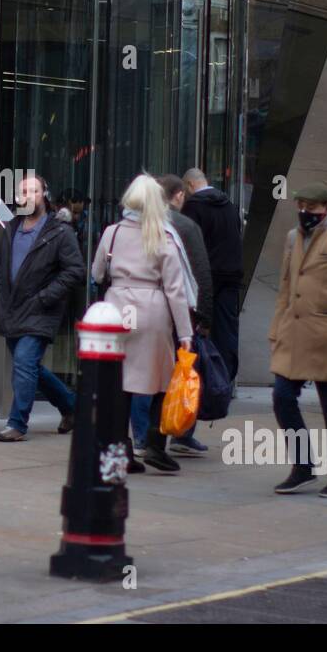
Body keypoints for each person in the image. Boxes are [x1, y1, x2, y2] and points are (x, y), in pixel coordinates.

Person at [267, 183, 327, 498]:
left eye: (311, 208)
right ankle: (303, 467)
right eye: (301, 206)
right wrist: (276, 330)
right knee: (282, 397)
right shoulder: (292, 238)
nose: (305, 213)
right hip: (294, 334)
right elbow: (285, 287)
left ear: (325, 208)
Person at [91, 174, 192, 474]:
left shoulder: (111, 232)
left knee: (119, 384)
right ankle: (154, 443)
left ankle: (120, 452)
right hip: (152, 310)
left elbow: (98, 273)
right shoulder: (163, 236)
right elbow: (176, 289)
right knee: (161, 381)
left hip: (116, 308)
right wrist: (185, 332)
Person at [0, 174, 85, 442]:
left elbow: (75, 271)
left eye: (34, 190)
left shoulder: (59, 231)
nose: (28, 195)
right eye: (23, 191)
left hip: (41, 310)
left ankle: (17, 423)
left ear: (44, 194)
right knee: (29, 367)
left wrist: (46, 297)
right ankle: (71, 406)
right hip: (12, 308)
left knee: (24, 363)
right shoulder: (11, 228)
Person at [158, 173, 214, 457]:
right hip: (180, 311)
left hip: (145, 312)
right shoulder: (185, 226)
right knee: (185, 371)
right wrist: (204, 316)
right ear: (179, 195)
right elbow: (201, 272)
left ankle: (145, 436)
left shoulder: (132, 225)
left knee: (151, 376)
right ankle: (180, 430)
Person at [181, 168, 242, 383]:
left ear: (189, 185)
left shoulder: (193, 208)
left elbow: (191, 247)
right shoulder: (230, 206)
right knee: (226, 332)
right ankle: (224, 379)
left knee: (198, 330)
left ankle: (201, 381)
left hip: (204, 278)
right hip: (231, 276)